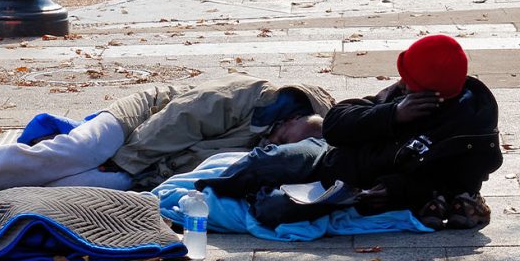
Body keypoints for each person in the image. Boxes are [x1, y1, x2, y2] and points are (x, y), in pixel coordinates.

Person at [198, 35, 503, 230]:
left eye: (409, 79)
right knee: (264, 160)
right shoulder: (403, 96)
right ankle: (205, 193)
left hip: (355, 187)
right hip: (332, 155)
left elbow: (453, 182)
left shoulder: (470, 131)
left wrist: (397, 190)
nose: (402, 81)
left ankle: (257, 196)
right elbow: (335, 123)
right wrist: (392, 114)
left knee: (273, 208)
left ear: (430, 90)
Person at [0, 74, 335, 204]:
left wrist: (138, 176)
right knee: (82, 150)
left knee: (78, 186)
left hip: (151, 164)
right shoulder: (260, 100)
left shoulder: (277, 147)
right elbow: (178, 119)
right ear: (298, 115)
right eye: (288, 131)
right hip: (140, 121)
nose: (278, 141)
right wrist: (126, 161)